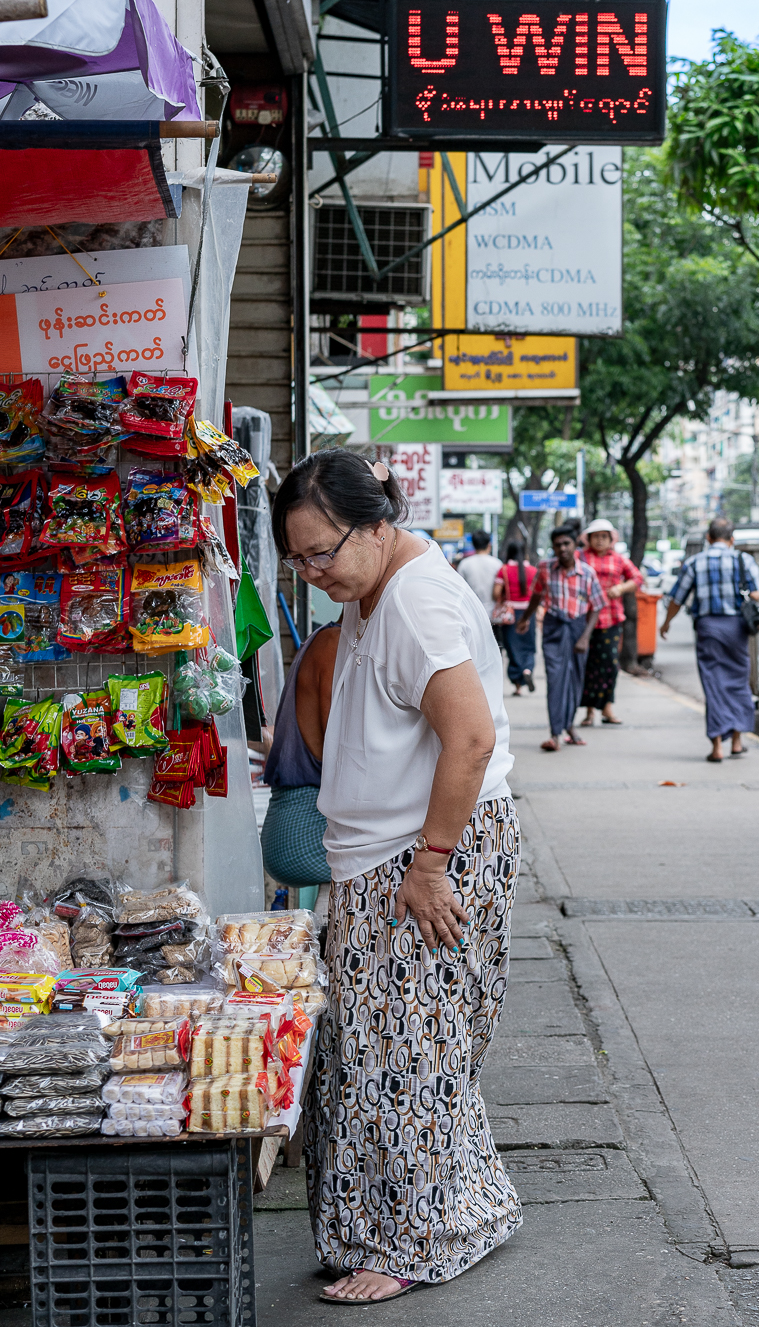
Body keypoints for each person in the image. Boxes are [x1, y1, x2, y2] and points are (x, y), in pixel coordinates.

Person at [271, 448, 521, 1303]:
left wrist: (431, 867)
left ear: (377, 526)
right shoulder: (378, 587)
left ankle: (418, 1240)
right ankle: (400, 1222)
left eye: (322, 553)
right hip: (382, 859)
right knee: (368, 1053)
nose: (311, 574)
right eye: (296, 559)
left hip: (424, 859)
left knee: (408, 1055)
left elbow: (473, 740)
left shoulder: (414, 601)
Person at [660, 517, 759, 763]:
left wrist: (666, 622)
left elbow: (678, 597)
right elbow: (756, 594)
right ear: (731, 539)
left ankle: (717, 746)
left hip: (708, 628)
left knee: (714, 683)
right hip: (736, 627)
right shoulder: (743, 560)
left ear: (708, 538)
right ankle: (737, 742)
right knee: (738, 681)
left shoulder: (695, 562)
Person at [258, 623, 340, 887]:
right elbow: (347, 757)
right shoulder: (334, 644)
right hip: (302, 836)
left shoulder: (330, 640)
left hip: (298, 829)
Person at [516, 525, 605, 752]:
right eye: (557, 545)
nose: (562, 548)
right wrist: (525, 619)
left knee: (575, 681)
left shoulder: (587, 572)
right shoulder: (545, 568)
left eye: (566, 543)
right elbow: (536, 595)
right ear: (553, 547)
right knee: (556, 680)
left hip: (578, 628)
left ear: (575, 545)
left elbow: (597, 606)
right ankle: (555, 733)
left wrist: (585, 636)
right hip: (554, 627)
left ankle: (569, 726)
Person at [577, 519, 643, 727]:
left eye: (604, 536)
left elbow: (637, 578)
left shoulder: (619, 559)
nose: (600, 540)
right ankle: (589, 711)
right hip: (585, 620)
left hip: (611, 619)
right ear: (588, 539)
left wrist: (621, 589)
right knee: (588, 665)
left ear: (610, 539)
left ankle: (606, 707)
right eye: (596, 536)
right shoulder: (581, 558)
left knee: (609, 665)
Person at [493, 541, 537, 696]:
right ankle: (527, 669)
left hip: (511, 615)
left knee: (513, 647)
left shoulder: (503, 570)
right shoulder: (533, 570)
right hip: (529, 613)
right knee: (529, 645)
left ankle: (518, 685)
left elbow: (496, 593)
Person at [457, 528, 502, 617]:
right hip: (494, 613)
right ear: (489, 545)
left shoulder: (464, 564)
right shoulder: (497, 564)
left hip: (472, 612)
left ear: (473, 544)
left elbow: (460, 589)